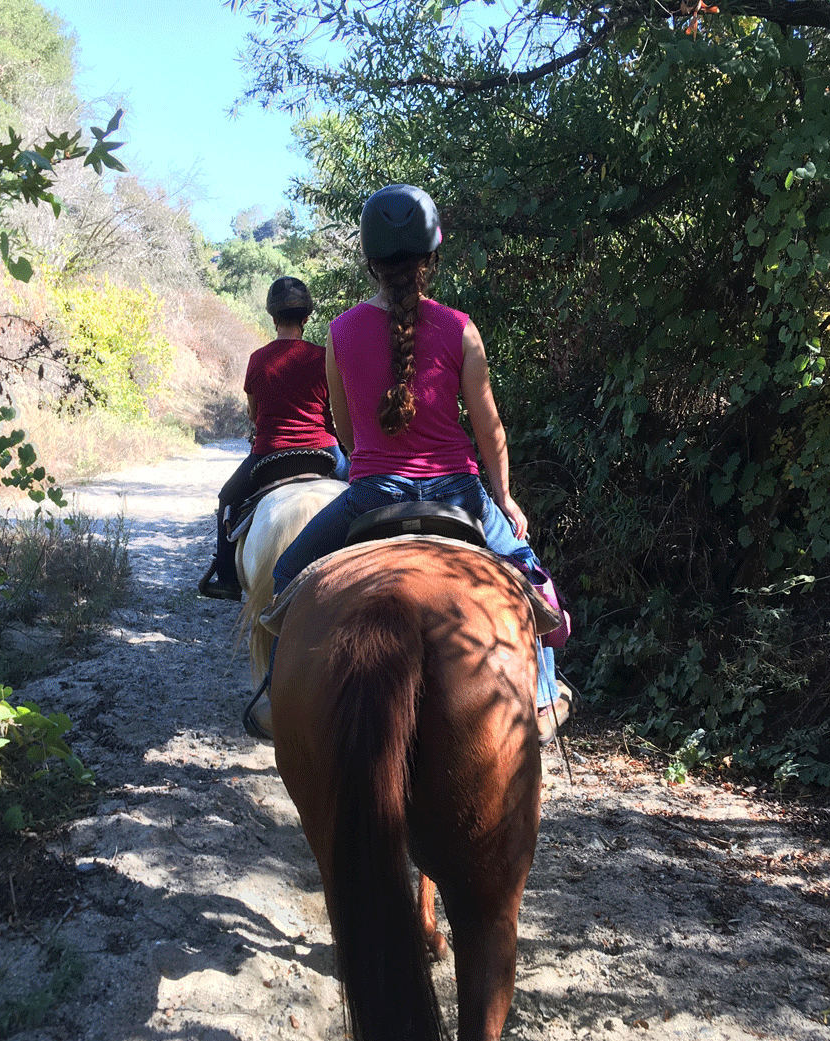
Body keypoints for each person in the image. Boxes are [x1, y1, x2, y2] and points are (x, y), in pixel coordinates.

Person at [270, 184, 570, 738]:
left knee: (287, 572)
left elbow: (346, 433)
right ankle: (546, 698)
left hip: (372, 493)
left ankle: (276, 699)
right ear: (433, 255)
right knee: (535, 586)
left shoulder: (338, 333)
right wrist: (503, 498)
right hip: (461, 494)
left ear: (368, 260)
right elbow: (490, 429)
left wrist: (378, 466)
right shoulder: (461, 329)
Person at [197, 276, 347, 601]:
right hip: (326, 451)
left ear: (273, 318)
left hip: (269, 454)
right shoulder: (323, 357)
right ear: (307, 318)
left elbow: (254, 414)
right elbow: (336, 409)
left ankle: (226, 578)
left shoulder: (258, 360)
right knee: (366, 492)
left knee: (227, 499)